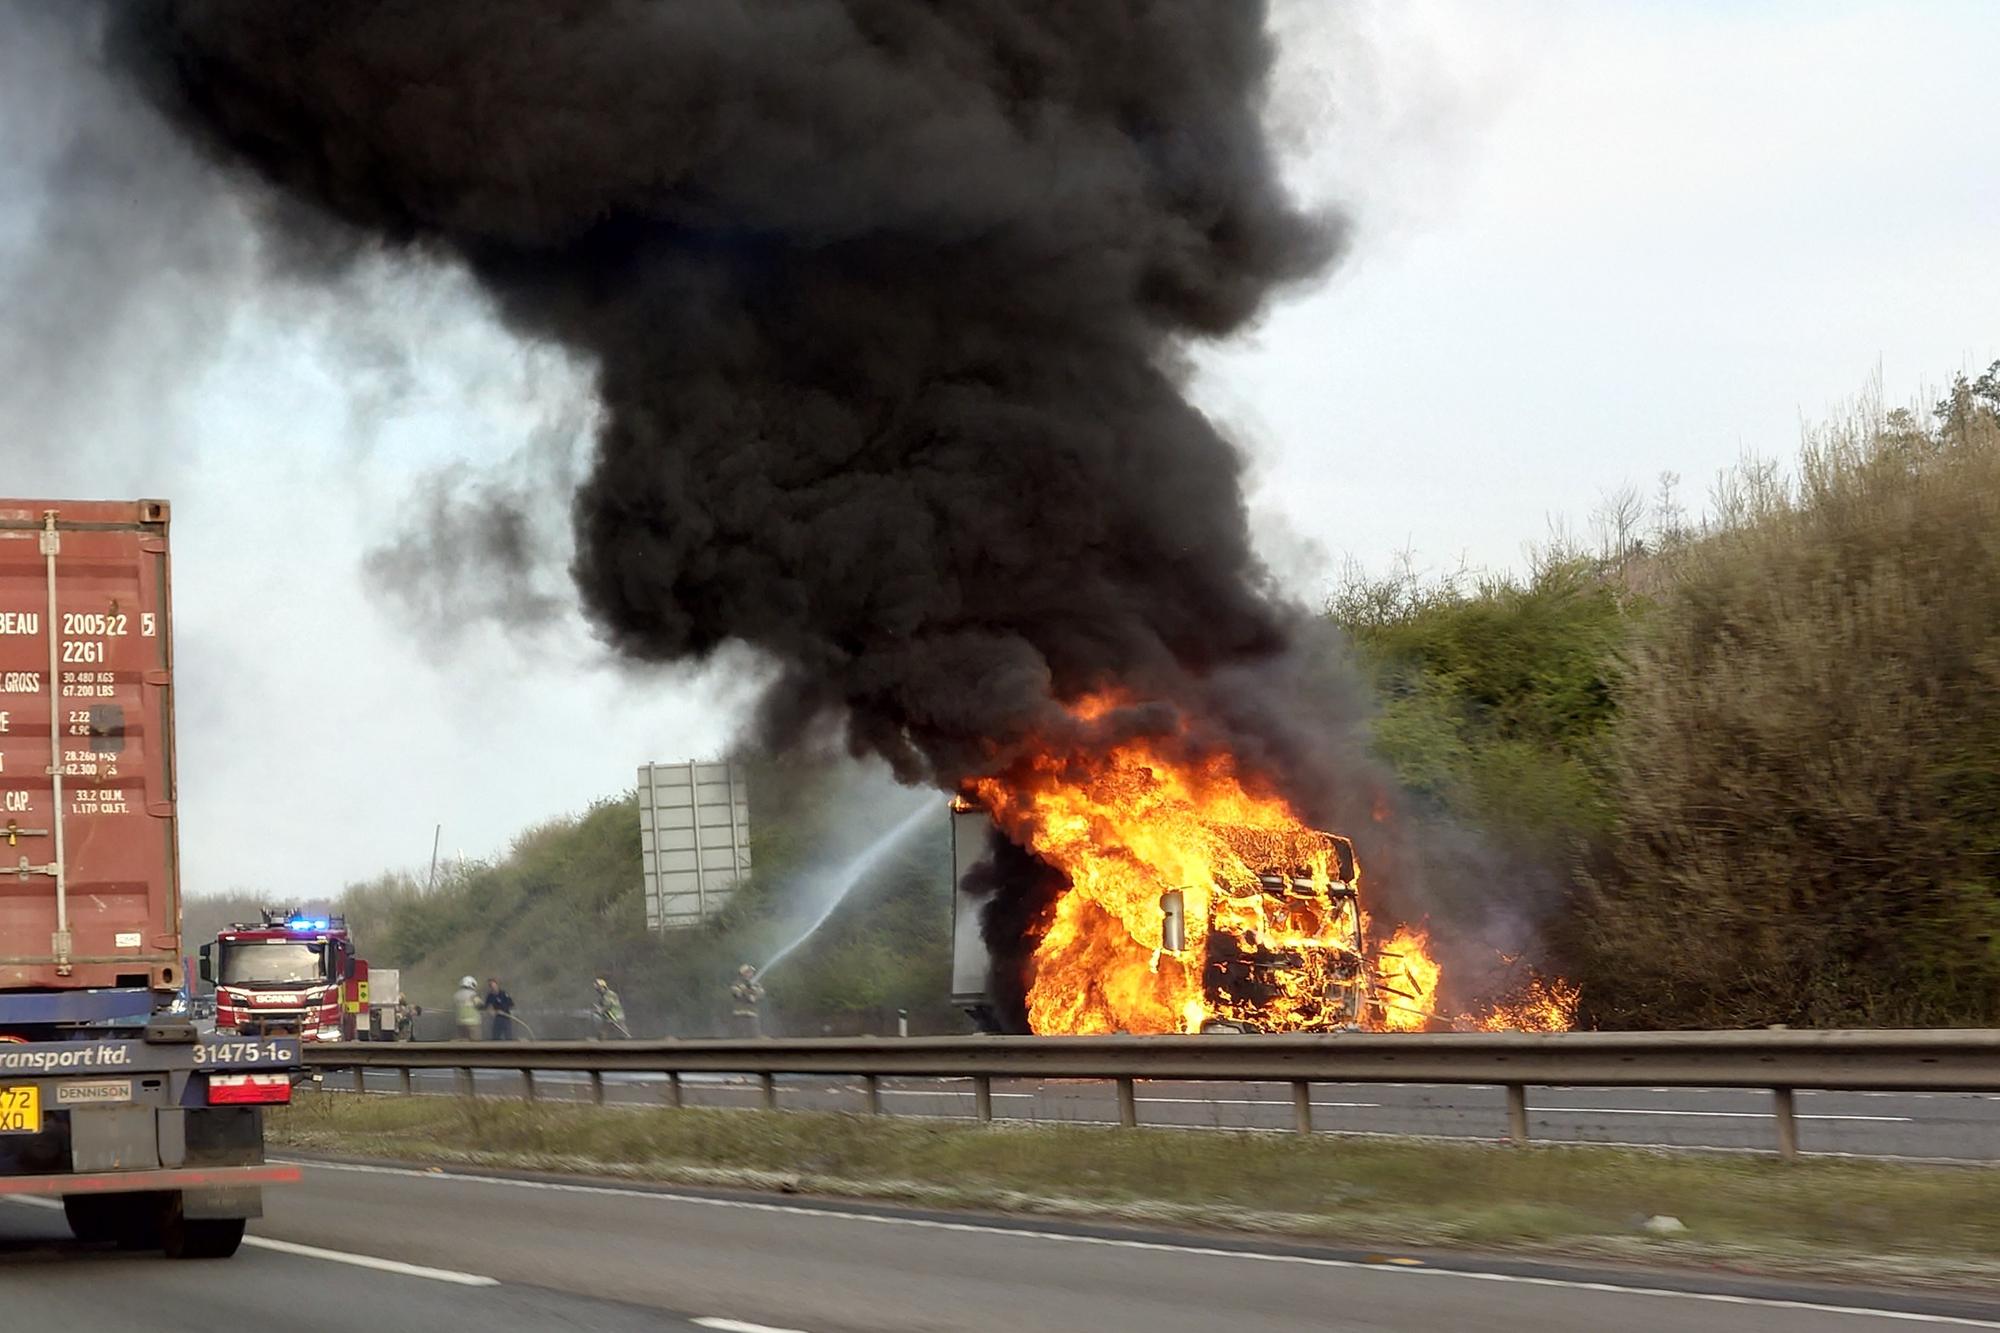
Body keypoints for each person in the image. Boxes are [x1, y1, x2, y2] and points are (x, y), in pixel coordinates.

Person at [729, 964, 765, 1039]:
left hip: (752, 1013)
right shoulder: (737, 983)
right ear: (743, 973)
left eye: (751, 972)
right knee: (739, 1035)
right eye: (748, 972)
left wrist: (754, 996)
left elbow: (761, 994)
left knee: (755, 1034)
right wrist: (746, 990)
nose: (751, 974)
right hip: (740, 1013)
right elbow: (737, 993)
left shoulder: (757, 984)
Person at [483, 977, 516, 1041]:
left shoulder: (503, 994)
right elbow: (487, 1006)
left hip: (506, 1018)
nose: (492, 987)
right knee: (495, 1037)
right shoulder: (490, 996)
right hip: (497, 1019)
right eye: (490, 986)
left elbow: (511, 1004)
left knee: (508, 1037)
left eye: (493, 985)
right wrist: (490, 1011)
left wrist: (503, 1010)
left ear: (497, 984)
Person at [453, 975, 480, 1042]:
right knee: (475, 1043)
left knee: (463, 1044)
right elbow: (480, 1005)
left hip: (460, 1023)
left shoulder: (456, 995)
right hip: (473, 1024)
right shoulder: (473, 994)